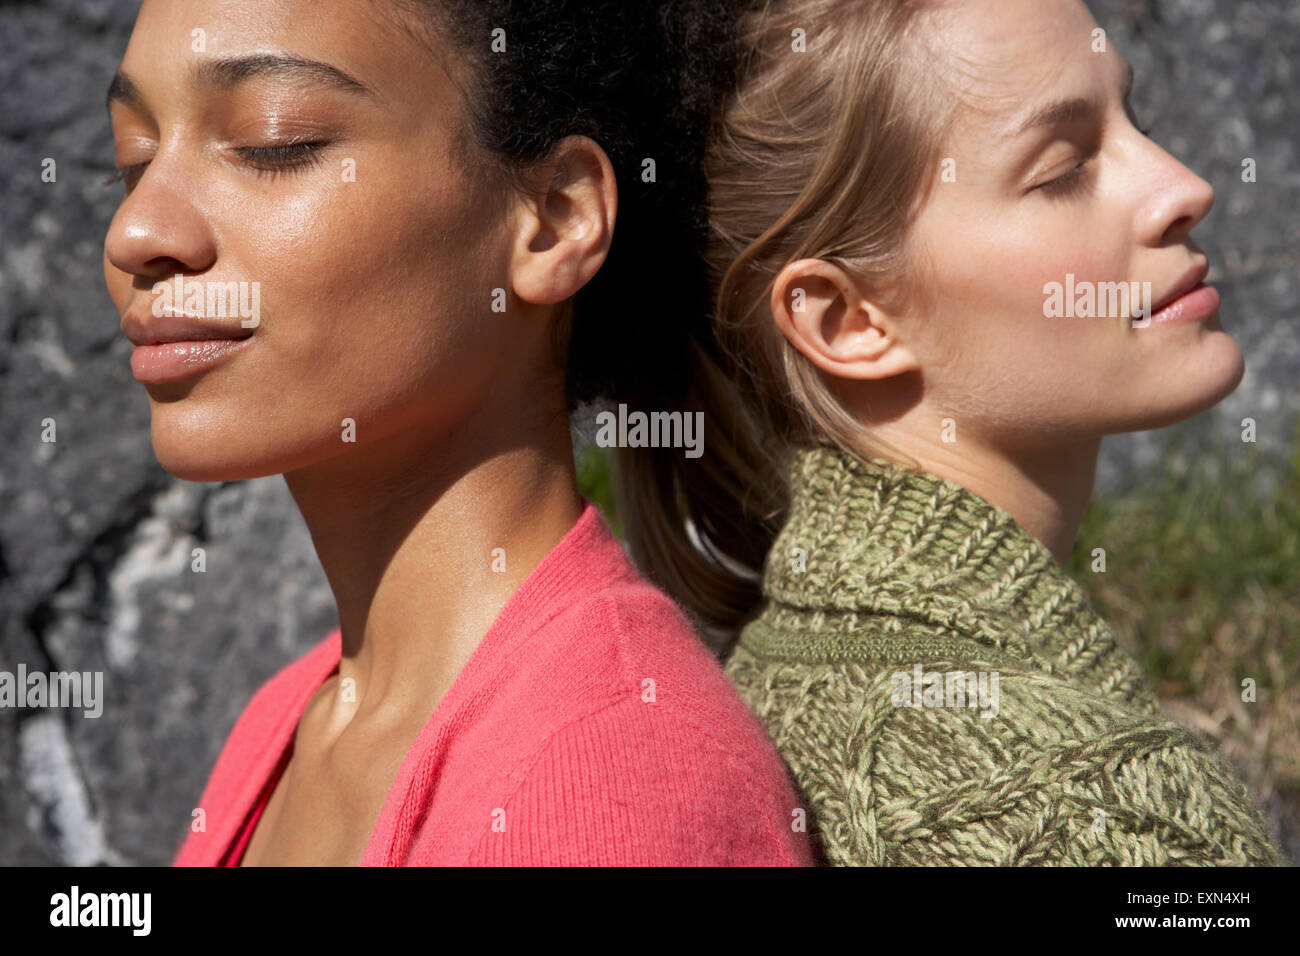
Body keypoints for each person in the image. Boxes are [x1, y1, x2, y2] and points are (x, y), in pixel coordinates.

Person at [103, 0, 812, 866]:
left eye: (271, 141)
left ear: (554, 216)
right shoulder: (296, 717)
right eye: (131, 159)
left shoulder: (611, 784)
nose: (137, 232)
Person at [616, 0, 1285, 865]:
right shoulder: (1103, 815)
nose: (1182, 186)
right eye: (1064, 169)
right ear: (847, 319)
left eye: (1136, 119)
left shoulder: (779, 677)